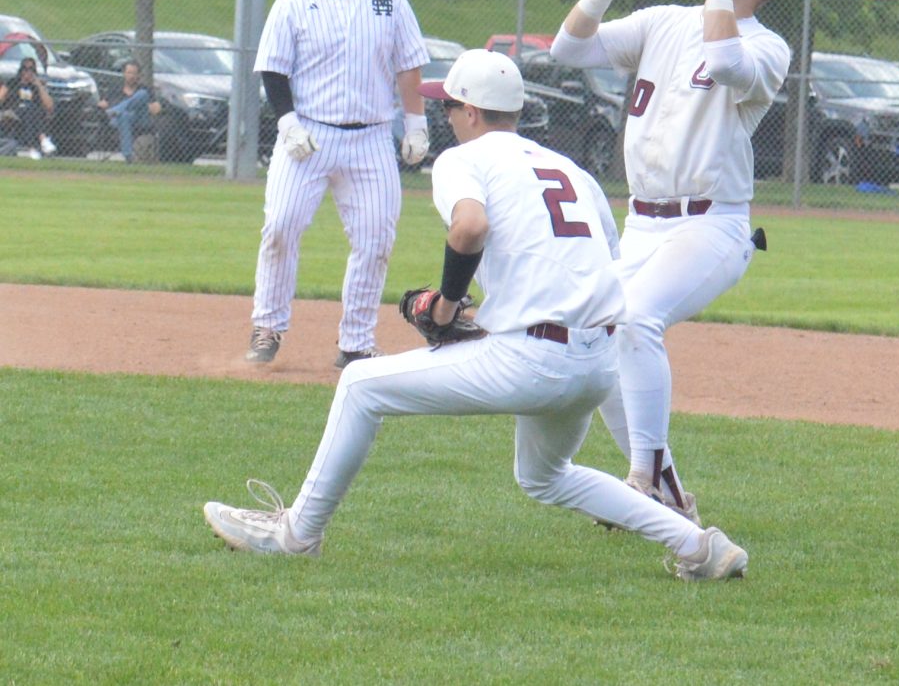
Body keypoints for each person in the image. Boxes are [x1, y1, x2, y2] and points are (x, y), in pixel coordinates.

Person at [204, 49, 749, 582]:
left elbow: (469, 228)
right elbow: (595, 267)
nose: (445, 116)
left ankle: (297, 534)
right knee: (543, 476)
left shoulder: (463, 159)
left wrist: (444, 305)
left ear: (470, 112)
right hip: (597, 363)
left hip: (532, 360)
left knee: (359, 383)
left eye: (448, 106)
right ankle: (698, 544)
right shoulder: (570, 169)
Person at [548, 0, 798, 523]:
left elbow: (724, 63)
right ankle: (667, 490)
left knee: (635, 321)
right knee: (597, 337)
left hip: (711, 224)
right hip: (643, 222)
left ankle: (642, 476)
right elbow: (567, 48)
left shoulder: (768, 46)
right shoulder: (663, 21)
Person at [247, 0, 431, 368]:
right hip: (307, 136)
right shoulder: (291, 3)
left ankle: (355, 341)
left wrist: (415, 123)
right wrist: (288, 123)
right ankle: (267, 326)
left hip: (370, 138)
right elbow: (272, 72)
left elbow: (409, 65)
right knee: (280, 228)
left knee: (374, 240)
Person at [97, 60, 159, 163]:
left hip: (140, 119)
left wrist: (146, 105)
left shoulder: (145, 89)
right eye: (129, 73)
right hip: (118, 120)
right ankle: (128, 156)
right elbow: (102, 104)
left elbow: (156, 109)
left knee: (142, 94)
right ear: (124, 74)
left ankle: (118, 110)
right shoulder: (115, 89)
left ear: (139, 75)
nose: (132, 76)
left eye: (134, 73)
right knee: (124, 115)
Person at [0, 57, 58, 159]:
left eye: (31, 69)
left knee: (31, 111)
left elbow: (50, 107)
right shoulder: (13, 83)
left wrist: (39, 86)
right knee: (29, 111)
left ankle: (32, 148)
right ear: (21, 70)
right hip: (14, 111)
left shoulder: (35, 87)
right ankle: (42, 139)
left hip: (32, 114)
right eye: (25, 69)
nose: (28, 72)